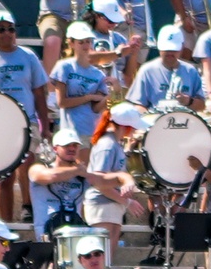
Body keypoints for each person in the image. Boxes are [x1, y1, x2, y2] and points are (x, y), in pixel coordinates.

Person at [0, 8, 50, 222]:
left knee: (27, 161)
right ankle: (6, 223)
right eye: (1, 29)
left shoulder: (28, 56)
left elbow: (39, 92)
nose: (7, 33)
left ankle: (28, 207)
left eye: (11, 29)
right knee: (4, 176)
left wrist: (45, 125)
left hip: (26, 121)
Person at [84, 103, 151, 247]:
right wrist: (127, 202)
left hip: (110, 204)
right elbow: (99, 182)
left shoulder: (114, 143)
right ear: (125, 126)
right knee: (103, 252)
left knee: (108, 254)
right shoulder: (107, 145)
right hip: (101, 204)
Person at [26, 124, 91, 234]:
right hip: (49, 234)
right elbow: (50, 176)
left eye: (75, 145)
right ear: (55, 148)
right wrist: (77, 170)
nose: (72, 148)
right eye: (66, 145)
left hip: (75, 234)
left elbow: (103, 180)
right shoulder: (38, 168)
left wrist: (125, 179)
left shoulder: (81, 174)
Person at [49, 20, 107, 140]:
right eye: (81, 42)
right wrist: (88, 97)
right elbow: (62, 102)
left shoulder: (99, 75)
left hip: (92, 133)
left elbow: (96, 108)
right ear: (71, 43)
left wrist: (112, 96)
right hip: (70, 134)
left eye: (88, 42)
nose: (86, 46)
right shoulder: (63, 67)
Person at [131, 22, 201, 110]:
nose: (170, 53)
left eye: (174, 49)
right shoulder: (146, 70)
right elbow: (138, 104)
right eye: (166, 49)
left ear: (182, 47)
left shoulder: (191, 71)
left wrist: (189, 101)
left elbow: (202, 105)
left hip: (184, 121)